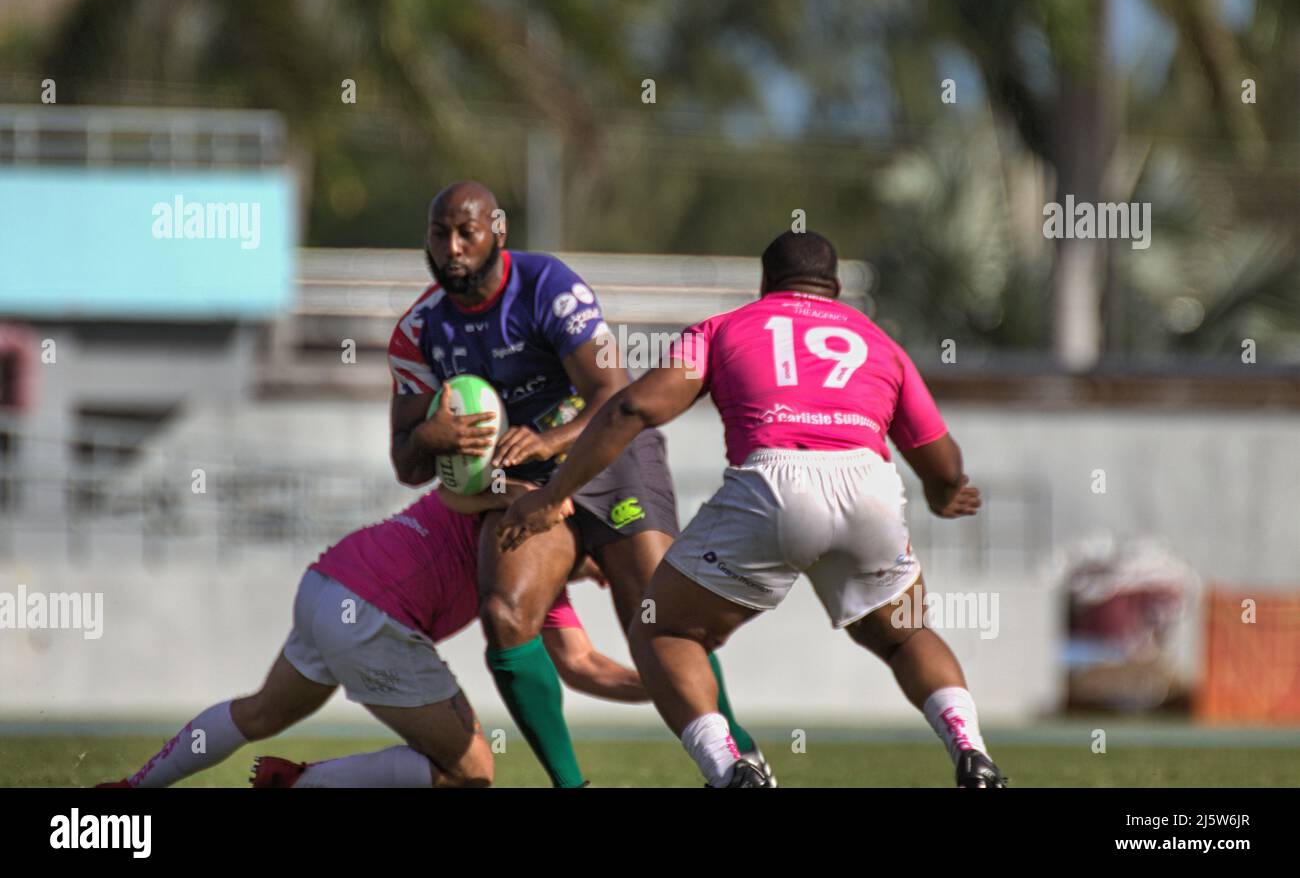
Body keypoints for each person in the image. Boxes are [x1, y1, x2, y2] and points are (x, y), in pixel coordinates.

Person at [498, 229, 1008, 788]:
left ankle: (729, 770)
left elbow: (636, 407)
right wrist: (941, 497)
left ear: (765, 283)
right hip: (870, 488)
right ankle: (972, 751)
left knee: (659, 627)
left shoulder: (728, 326)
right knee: (904, 633)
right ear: (835, 289)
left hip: (772, 484)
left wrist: (551, 494)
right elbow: (944, 464)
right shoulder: (877, 341)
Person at [386, 180, 769, 787]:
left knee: (656, 615)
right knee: (505, 616)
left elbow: (611, 394)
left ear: (498, 231)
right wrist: (435, 437)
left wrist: (547, 442)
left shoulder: (547, 287)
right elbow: (406, 463)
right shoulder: (419, 331)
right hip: (523, 482)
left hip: (611, 455)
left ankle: (740, 756)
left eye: (467, 231)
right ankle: (572, 786)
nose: (453, 248)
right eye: (440, 234)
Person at [98, 481, 645, 788]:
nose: (605, 578)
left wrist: (668, 686)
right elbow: (473, 482)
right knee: (470, 772)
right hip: (374, 612)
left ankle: (132, 791)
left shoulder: (542, 581)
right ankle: (298, 786)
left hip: (328, 584)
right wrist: (519, 490)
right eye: (608, 564)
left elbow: (583, 664)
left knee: (263, 712)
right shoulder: (529, 510)